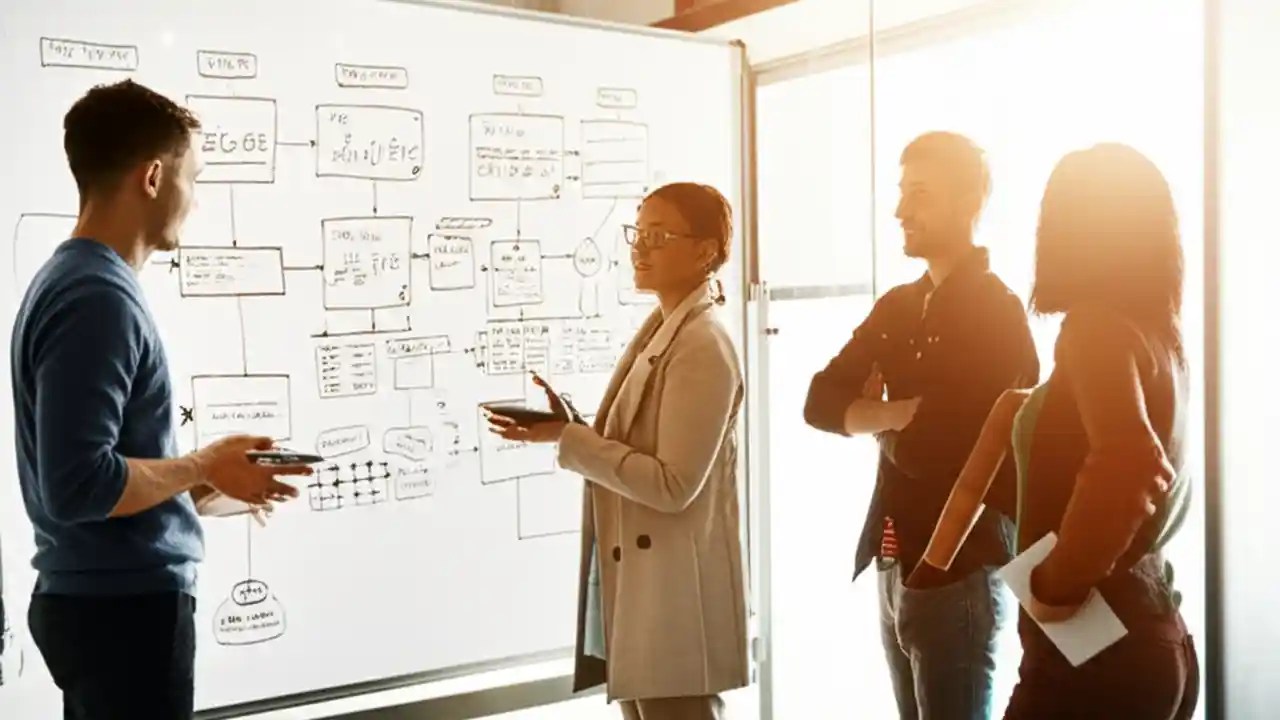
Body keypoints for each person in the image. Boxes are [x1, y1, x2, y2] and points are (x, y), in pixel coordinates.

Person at [11, 79, 312, 720]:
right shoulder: (98, 298)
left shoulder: (80, 283)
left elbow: (102, 473)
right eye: (192, 179)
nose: (195, 201)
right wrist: (201, 465)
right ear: (153, 176)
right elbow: (77, 484)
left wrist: (205, 487)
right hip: (122, 615)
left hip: (105, 606)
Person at [918, 143, 1199, 719]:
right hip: (1154, 630)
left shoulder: (1095, 327)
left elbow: (1130, 465)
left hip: (1094, 649)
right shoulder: (1158, 335)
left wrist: (1053, 586)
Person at [487, 182, 747, 720]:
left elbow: (673, 485)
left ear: (704, 251)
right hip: (640, 586)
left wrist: (569, 440)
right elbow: (639, 445)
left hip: (673, 599)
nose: (639, 248)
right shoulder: (666, 326)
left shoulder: (703, 344)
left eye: (659, 235)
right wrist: (566, 427)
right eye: (638, 232)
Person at [803, 131, 1039, 719]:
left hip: (959, 567)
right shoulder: (900, 305)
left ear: (967, 203)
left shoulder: (995, 310)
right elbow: (818, 401)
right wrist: (894, 415)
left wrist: (885, 423)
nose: (901, 210)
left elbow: (943, 450)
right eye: (903, 191)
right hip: (893, 556)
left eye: (920, 193)